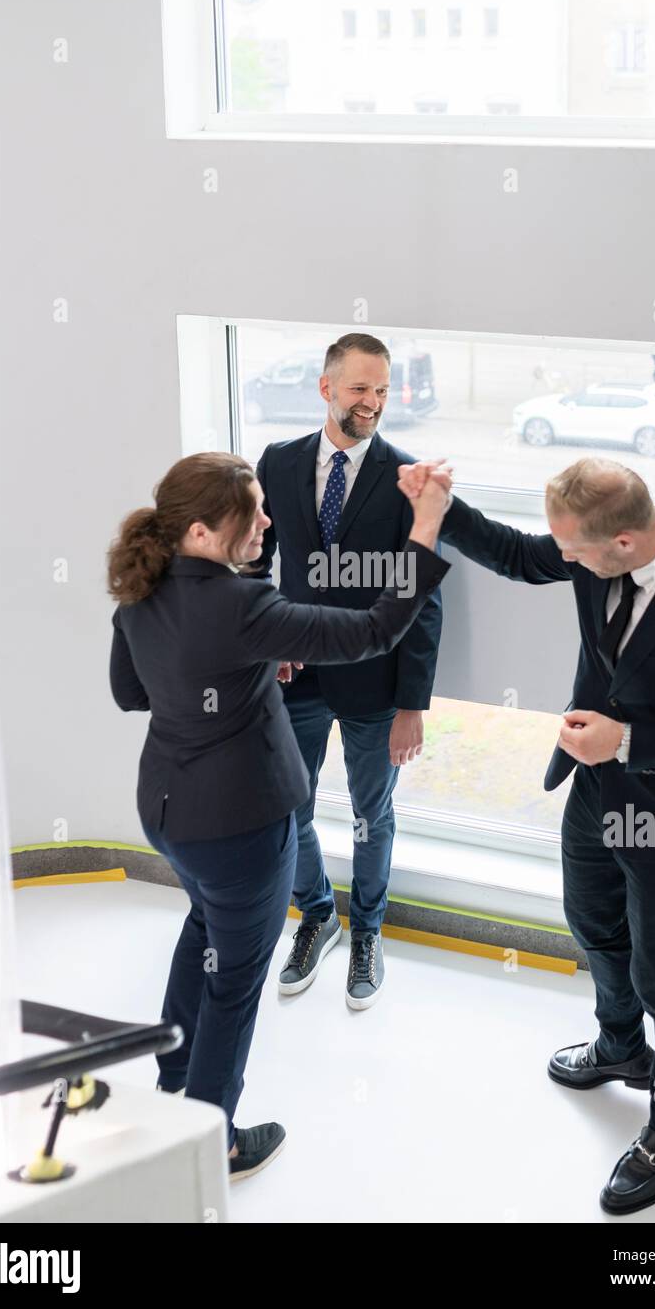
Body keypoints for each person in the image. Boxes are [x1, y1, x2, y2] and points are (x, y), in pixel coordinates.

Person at [398, 455, 655, 1216]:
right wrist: (444, 502)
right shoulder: (594, 552)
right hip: (596, 786)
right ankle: (619, 1047)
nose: (561, 557)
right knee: (592, 922)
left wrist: (628, 740)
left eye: (573, 548)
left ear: (627, 542)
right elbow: (514, 553)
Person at [108, 451, 451, 1181]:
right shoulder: (241, 607)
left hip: (167, 815)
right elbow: (374, 631)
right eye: (253, 513)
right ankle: (213, 1142)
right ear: (202, 532)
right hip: (238, 826)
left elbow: (131, 694)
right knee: (234, 980)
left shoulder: (140, 590)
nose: (268, 521)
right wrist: (425, 528)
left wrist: (245, 664)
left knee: (204, 928)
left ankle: (173, 1089)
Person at [255, 333, 444, 1008]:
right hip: (295, 677)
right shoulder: (276, 464)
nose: (373, 402)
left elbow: (422, 596)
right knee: (288, 804)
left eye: (384, 390)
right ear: (327, 388)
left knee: (373, 813)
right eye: (361, 388)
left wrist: (413, 704)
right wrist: (268, 638)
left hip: (376, 684)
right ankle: (317, 915)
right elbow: (254, 561)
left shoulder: (409, 480)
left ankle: (368, 929)